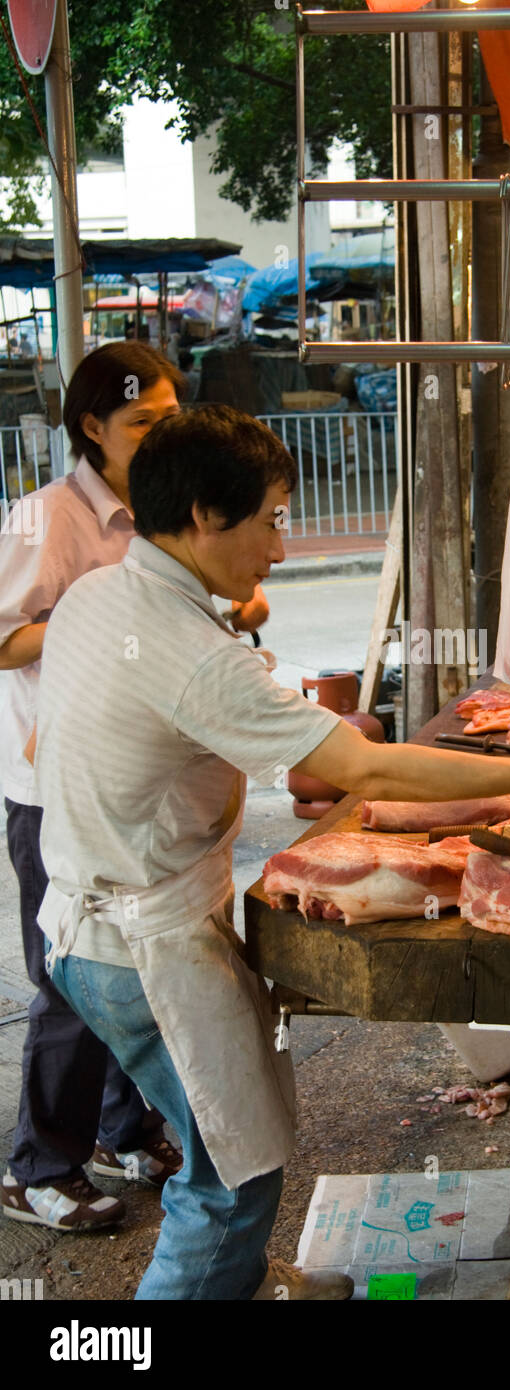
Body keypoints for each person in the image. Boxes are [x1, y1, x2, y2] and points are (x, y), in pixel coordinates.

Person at [33, 404, 510, 1299]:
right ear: (204, 514)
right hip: (140, 948)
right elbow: (358, 767)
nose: (279, 549)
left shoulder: (102, 594)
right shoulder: (187, 649)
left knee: (235, 1146)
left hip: (99, 916)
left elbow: (55, 745)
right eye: (272, 519)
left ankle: (242, 1286)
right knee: (230, 1179)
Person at [0, 342, 187, 1232]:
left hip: (131, 775)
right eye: (143, 421)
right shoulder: (47, 519)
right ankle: (38, 1167)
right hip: (51, 784)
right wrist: (89, 611)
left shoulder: (155, 509)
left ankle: (122, 1130)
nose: (161, 434)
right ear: (93, 428)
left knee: (132, 962)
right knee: (71, 978)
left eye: (168, 416)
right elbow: (1, 640)